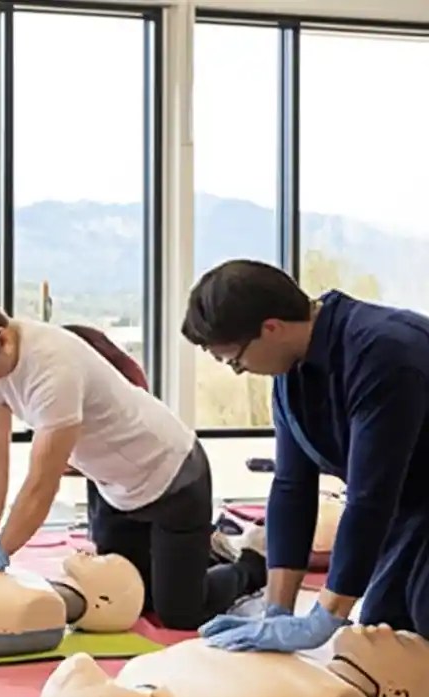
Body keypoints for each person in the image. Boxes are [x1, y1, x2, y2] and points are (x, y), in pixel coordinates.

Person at [0, 294, 267, 631]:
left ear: (2, 337)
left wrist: (4, 550)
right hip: (113, 485)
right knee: (128, 596)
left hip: (171, 475)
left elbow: (42, 482)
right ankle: (200, 554)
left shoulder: (52, 367)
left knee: (180, 613)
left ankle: (252, 560)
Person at [181, 259, 429, 651]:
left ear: (271, 328)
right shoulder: (292, 371)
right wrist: (277, 610)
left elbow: (370, 498)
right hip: (410, 509)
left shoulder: (385, 351)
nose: (238, 371)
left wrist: (323, 618)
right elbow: (292, 486)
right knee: (381, 638)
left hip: (404, 503)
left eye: (236, 361)